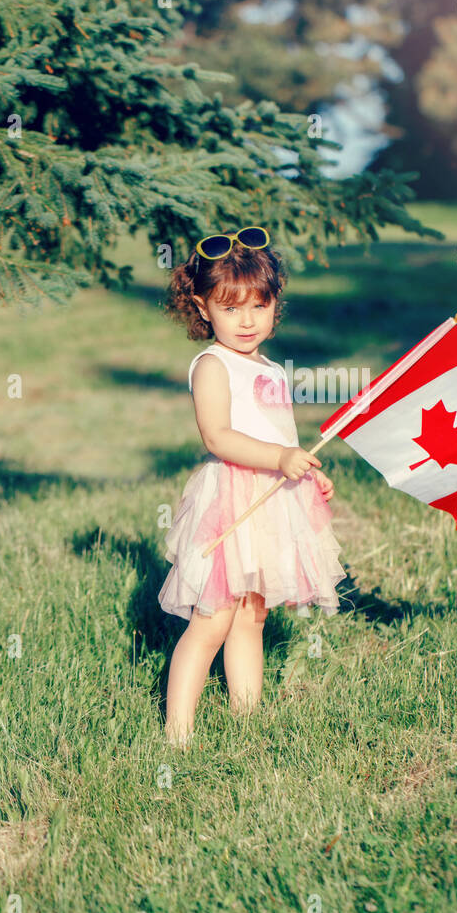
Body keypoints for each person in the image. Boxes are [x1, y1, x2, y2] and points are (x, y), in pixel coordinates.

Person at [158, 226, 346, 747]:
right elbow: (219, 436)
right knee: (212, 620)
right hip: (232, 501)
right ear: (201, 306)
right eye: (230, 307)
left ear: (274, 304)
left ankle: (248, 722)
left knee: (251, 617)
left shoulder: (268, 368)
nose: (246, 321)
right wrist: (279, 457)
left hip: (271, 501)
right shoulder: (212, 366)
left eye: (258, 306)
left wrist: (305, 466)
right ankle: (178, 734)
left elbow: (279, 435)